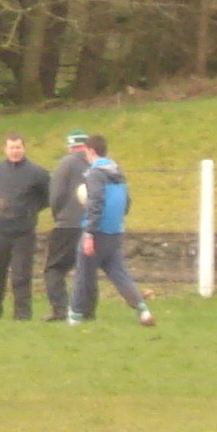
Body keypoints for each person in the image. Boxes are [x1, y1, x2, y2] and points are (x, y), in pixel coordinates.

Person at [70, 132, 156, 327]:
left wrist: (89, 234)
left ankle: (74, 317)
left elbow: (96, 203)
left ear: (90, 151)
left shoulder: (94, 173)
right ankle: (143, 311)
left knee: (83, 273)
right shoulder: (118, 172)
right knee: (119, 273)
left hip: (97, 231)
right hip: (115, 231)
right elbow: (126, 203)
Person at [0, 133, 52, 320]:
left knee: (21, 274)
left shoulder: (37, 173)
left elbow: (49, 196)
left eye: (18, 147)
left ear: (24, 148)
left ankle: (22, 314)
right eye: (12, 148)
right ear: (5, 149)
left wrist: (31, 210)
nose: (15, 151)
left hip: (24, 232)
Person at [43, 130, 91, 321]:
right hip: (92, 225)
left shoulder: (66, 163)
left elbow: (56, 195)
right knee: (86, 269)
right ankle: (86, 310)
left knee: (54, 268)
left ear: (70, 146)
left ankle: (60, 309)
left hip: (68, 225)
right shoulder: (98, 163)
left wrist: (58, 215)